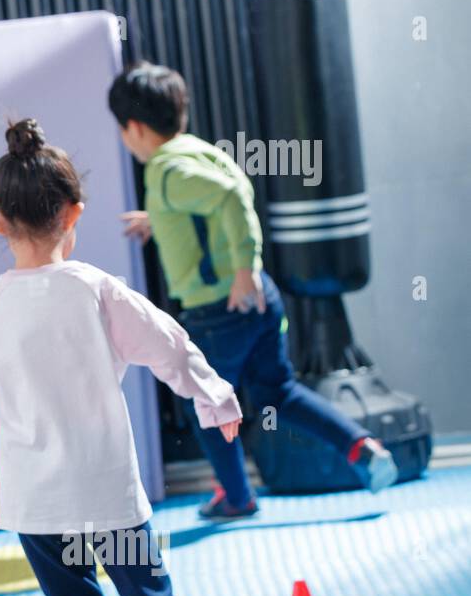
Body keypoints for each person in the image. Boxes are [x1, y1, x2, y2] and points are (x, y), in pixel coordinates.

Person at [0, 119, 234, 596]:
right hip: (109, 495)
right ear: (75, 213)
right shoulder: (97, 290)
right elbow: (171, 347)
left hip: (34, 502)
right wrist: (215, 400)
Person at [110, 61, 397, 518]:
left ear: (136, 128)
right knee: (278, 393)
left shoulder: (165, 170)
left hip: (218, 310)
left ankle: (237, 497)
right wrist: (160, 221)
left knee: (206, 402)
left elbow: (228, 198)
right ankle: (360, 447)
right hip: (260, 300)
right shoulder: (197, 152)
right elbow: (222, 195)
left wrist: (243, 267)